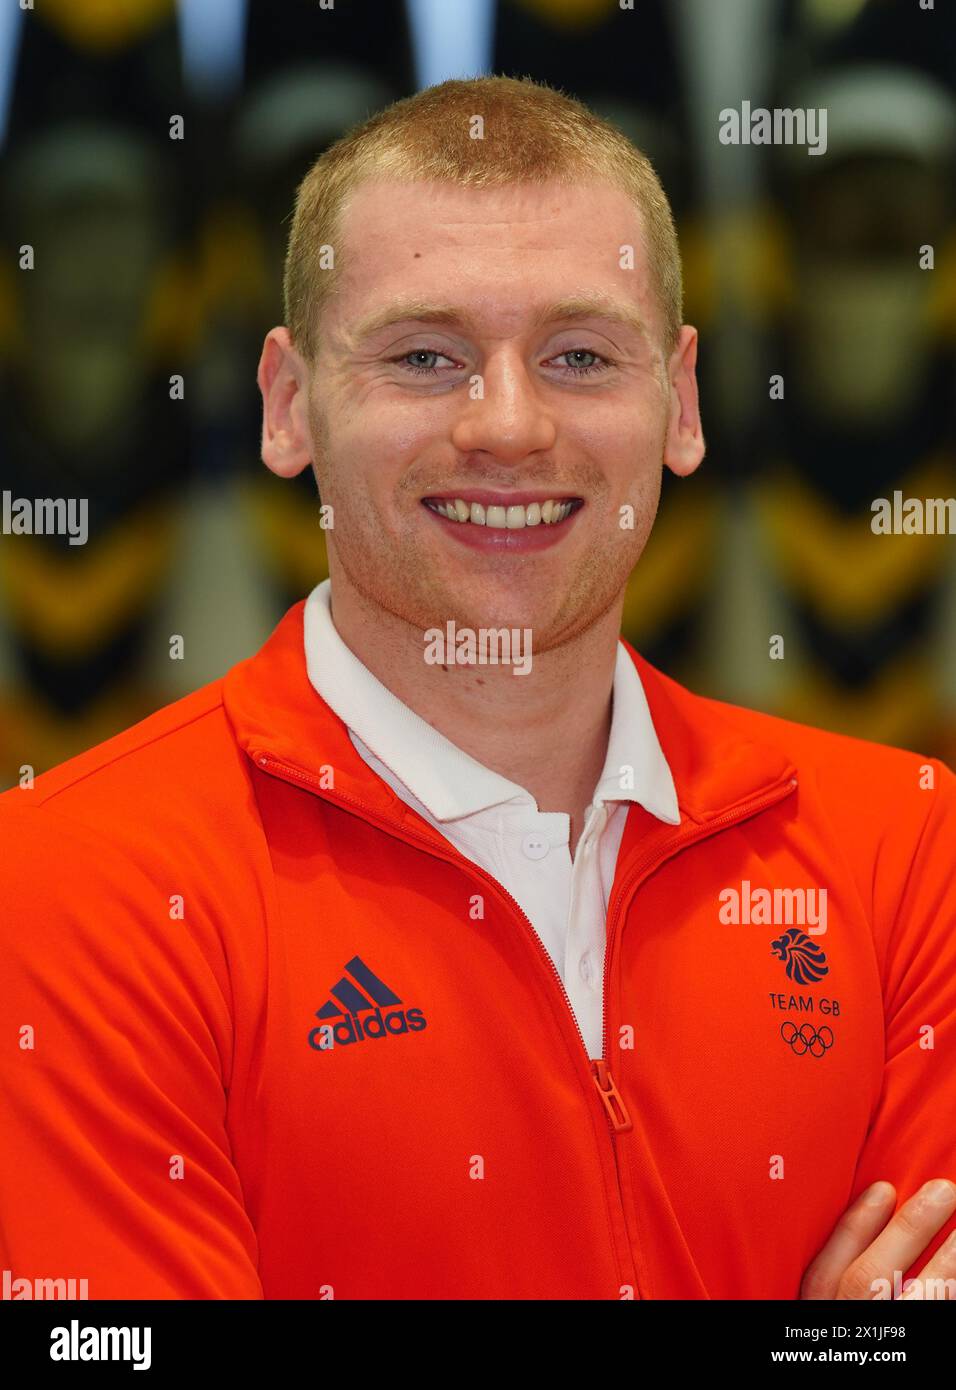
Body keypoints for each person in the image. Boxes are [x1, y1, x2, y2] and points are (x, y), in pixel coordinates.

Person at [1, 75, 953, 1301]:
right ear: (287, 406)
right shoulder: (75, 884)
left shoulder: (906, 851)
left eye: (577, 353)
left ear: (681, 402)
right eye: (422, 354)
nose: (505, 424)